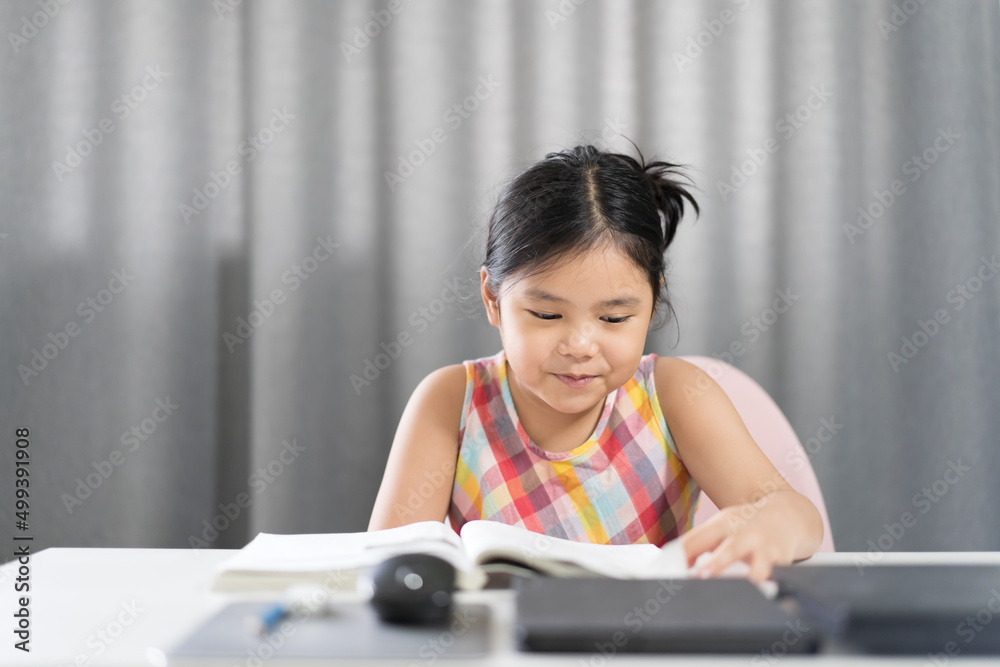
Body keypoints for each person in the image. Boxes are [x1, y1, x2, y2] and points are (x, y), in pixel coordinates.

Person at [368, 142, 823, 583]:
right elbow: (386, 566)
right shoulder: (452, 403)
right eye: (546, 315)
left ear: (653, 299)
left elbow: (796, 514)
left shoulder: (675, 395)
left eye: (614, 318)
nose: (581, 345)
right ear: (492, 299)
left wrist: (770, 525)